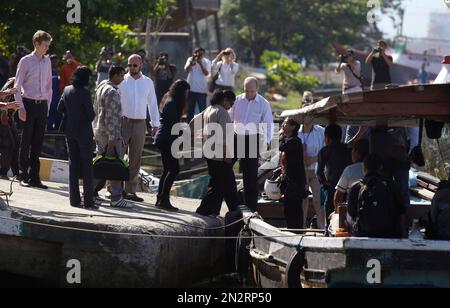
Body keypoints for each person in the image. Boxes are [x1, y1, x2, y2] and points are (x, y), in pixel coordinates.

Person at [14, 31, 53, 189]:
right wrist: (20, 107)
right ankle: (23, 175)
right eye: (45, 45)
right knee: (26, 141)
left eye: (48, 46)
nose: (47, 49)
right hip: (28, 103)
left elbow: (49, 87)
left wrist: (47, 106)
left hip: (42, 105)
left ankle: (34, 177)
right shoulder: (25, 61)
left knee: (38, 142)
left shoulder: (47, 61)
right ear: (36, 44)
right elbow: (17, 86)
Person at [119, 54, 160, 202]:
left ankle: (130, 191)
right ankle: (114, 189)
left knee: (135, 159)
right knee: (117, 156)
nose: (131, 68)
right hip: (123, 123)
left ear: (141, 65)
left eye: (134, 65)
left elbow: (152, 104)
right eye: (129, 65)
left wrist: (155, 125)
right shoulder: (121, 80)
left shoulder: (148, 82)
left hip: (140, 124)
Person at [229, 77, 274, 212]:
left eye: (251, 91)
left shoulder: (263, 103)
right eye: (246, 91)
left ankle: (251, 208)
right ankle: (231, 201)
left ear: (257, 89)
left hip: (252, 140)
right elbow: (228, 118)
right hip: (236, 137)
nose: (249, 94)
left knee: (250, 177)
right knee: (224, 169)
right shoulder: (236, 100)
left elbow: (269, 125)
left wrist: (266, 142)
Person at [92, 65, 132, 209]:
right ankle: (116, 197)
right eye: (121, 75)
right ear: (115, 75)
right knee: (114, 165)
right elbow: (111, 117)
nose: (123, 78)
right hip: (110, 134)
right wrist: (112, 138)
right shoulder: (112, 92)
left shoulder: (102, 86)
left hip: (99, 131)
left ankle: (91, 194)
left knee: (101, 165)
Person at [57, 66, 97, 209]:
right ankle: (88, 202)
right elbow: (91, 115)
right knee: (87, 167)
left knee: (73, 165)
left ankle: (74, 200)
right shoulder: (85, 93)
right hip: (84, 133)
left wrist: (71, 115)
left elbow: (59, 108)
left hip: (70, 131)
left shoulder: (67, 89)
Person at [196, 90, 239, 217]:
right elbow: (225, 138)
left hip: (209, 152)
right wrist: (227, 156)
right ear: (225, 100)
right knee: (222, 184)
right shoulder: (222, 112)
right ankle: (205, 209)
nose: (230, 106)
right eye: (230, 103)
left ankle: (215, 210)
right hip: (219, 154)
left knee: (217, 183)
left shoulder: (209, 109)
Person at [348, 154, 407, 238]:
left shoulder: (356, 187)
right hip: (390, 234)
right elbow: (401, 210)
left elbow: (351, 212)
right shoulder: (391, 185)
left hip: (364, 234)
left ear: (364, 168)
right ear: (380, 167)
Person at [154, 80, 191, 212]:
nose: (187, 95)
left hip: (165, 138)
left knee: (167, 170)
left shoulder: (171, 102)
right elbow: (175, 125)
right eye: (186, 92)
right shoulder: (172, 104)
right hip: (166, 139)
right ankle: (164, 200)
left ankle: (160, 199)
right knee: (174, 170)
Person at [298, 92, 326, 229]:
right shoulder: (296, 131)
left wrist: (312, 159)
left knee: (318, 201)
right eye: (305, 114)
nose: (307, 117)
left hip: (316, 170)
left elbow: (324, 151)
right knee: (302, 201)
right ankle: (301, 227)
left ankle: (322, 227)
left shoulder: (320, 131)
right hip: (301, 171)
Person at [316, 124, 352, 220]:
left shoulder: (324, 151)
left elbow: (319, 172)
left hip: (333, 186)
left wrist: (324, 182)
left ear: (327, 137)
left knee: (331, 215)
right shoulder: (349, 149)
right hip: (350, 187)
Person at [279, 118, 308, 229]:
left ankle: (297, 232)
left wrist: (280, 135)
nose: (283, 124)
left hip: (295, 183)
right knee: (288, 209)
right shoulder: (290, 140)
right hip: (289, 181)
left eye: (286, 123)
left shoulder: (295, 141)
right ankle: (292, 230)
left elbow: (281, 146)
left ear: (292, 127)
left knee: (294, 209)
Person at [334, 139, 369, 211]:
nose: (351, 153)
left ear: (358, 153)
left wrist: (337, 213)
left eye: (353, 150)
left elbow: (337, 197)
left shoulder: (349, 170)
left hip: (352, 215)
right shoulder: (378, 168)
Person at [185, 48, 211, 123]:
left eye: (201, 54)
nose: (199, 55)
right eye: (197, 53)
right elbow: (186, 70)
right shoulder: (190, 59)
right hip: (191, 89)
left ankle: (203, 127)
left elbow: (206, 73)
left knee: (202, 110)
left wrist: (200, 63)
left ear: (203, 54)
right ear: (194, 53)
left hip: (202, 90)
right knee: (190, 111)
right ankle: (189, 127)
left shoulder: (206, 62)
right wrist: (191, 63)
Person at [47, 55, 62, 130]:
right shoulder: (46, 70)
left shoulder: (58, 71)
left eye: (56, 61)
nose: (55, 63)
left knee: (57, 111)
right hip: (49, 95)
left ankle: (57, 128)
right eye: (53, 61)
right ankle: (49, 128)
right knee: (49, 111)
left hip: (57, 95)